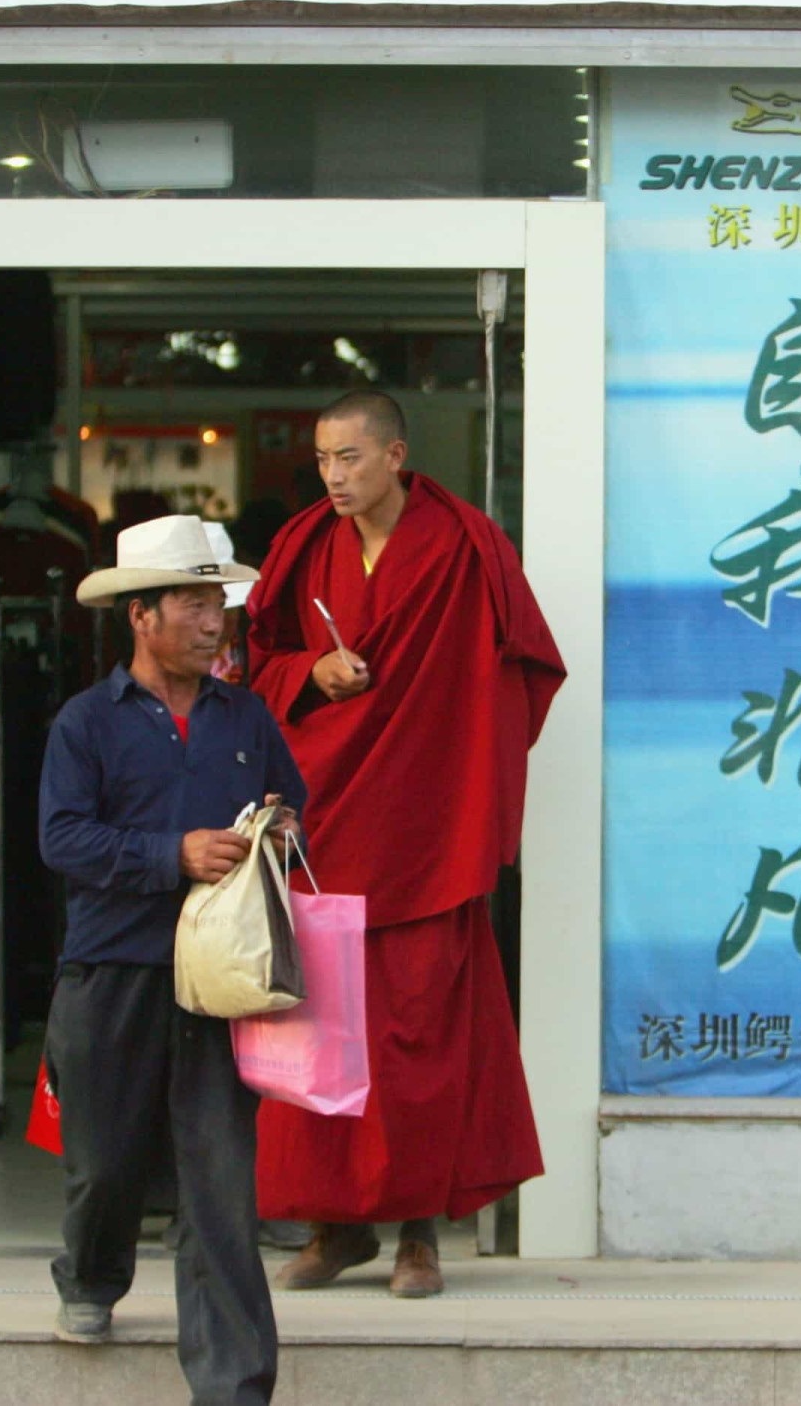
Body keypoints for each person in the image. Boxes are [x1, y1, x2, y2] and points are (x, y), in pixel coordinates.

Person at [244, 390, 565, 1297]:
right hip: (329, 819)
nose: (333, 477)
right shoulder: (301, 545)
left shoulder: (466, 543)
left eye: (349, 458)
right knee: (320, 1024)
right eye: (321, 460)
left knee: (420, 1026)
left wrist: (468, 773)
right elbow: (252, 662)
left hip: (427, 822)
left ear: (396, 455)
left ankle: (421, 1231)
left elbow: (525, 666)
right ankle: (333, 1226)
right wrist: (310, 670)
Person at [40, 513, 305, 1404]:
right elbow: (62, 838)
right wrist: (172, 855)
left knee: (221, 1185)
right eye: (191, 603)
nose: (212, 620)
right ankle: (88, 1275)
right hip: (112, 967)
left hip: (223, 982)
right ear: (140, 617)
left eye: (215, 602)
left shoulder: (247, 717)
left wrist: (277, 829)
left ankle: (233, 1385)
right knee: (106, 1162)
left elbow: (294, 804)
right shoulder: (86, 723)